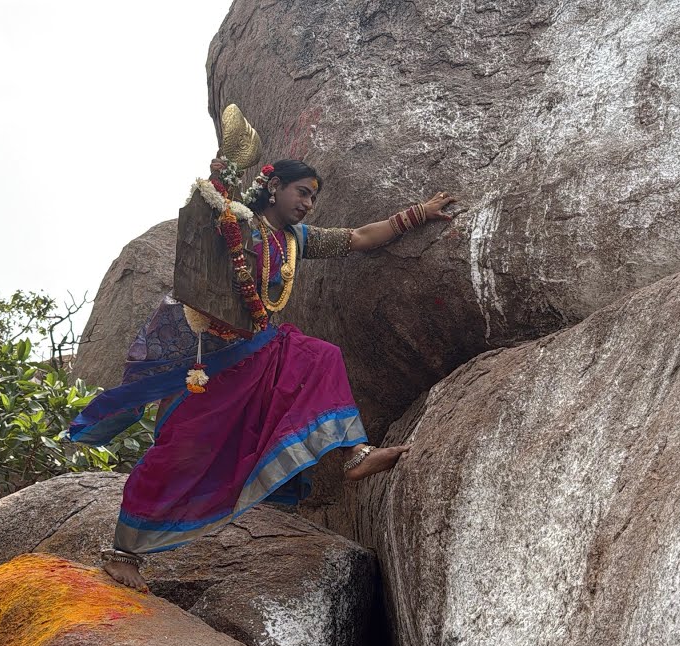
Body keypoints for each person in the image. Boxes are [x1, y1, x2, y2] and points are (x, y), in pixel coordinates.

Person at [70, 157, 458, 591]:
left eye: (313, 197)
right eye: (302, 192)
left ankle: (354, 453)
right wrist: (223, 174)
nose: (308, 204)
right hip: (212, 362)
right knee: (179, 451)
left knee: (320, 355)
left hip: (260, 354)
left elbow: (359, 237)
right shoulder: (237, 224)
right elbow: (205, 221)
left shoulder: (295, 240)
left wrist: (418, 214)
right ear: (273, 187)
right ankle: (124, 551)